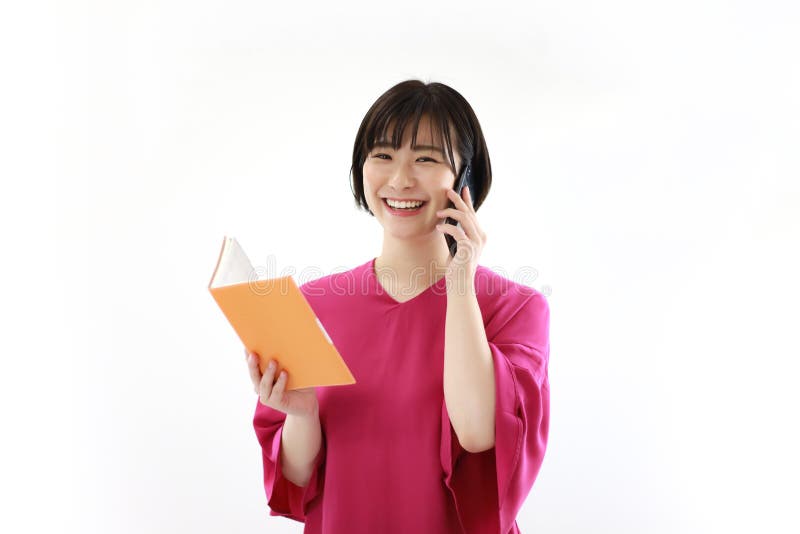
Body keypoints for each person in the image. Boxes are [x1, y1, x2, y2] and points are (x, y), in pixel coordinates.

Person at [244, 79, 551, 533]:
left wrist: (460, 276)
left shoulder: (514, 307)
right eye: (383, 156)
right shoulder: (313, 304)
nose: (401, 179)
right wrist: (302, 412)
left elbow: (479, 431)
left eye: (426, 158)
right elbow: (296, 478)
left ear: (465, 178)